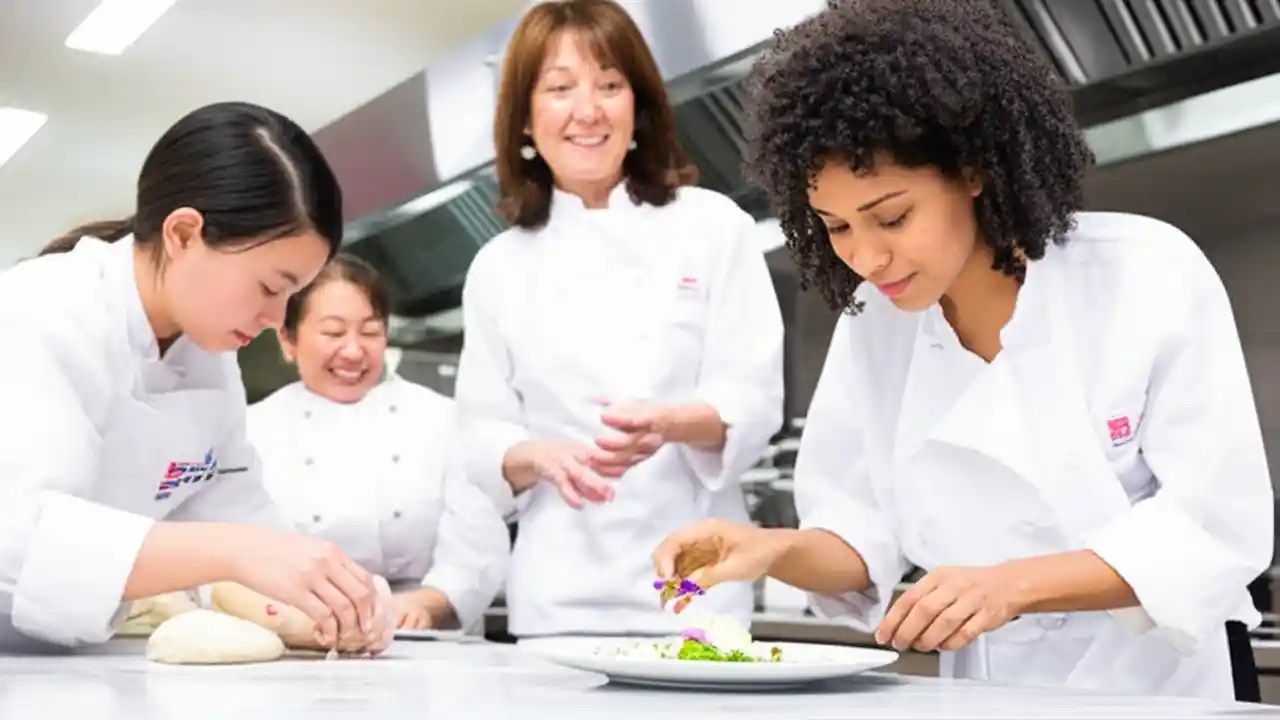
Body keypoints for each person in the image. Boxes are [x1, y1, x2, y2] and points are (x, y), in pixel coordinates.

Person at [653, 0, 1273, 701]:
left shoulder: (1146, 272)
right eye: (835, 227)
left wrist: (1009, 586)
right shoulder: (876, 327)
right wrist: (768, 549)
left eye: (892, 217)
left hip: (1160, 686)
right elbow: (859, 541)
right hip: (989, 691)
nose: (866, 257)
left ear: (973, 171)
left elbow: (1216, 525)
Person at [0, 102, 394, 655]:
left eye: (291, 296)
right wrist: (233, 551)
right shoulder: (40, 310)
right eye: (268, 287)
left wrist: (333, 598)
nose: (276, 320)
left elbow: (235, 507)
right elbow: (19, 539)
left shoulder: (206, 356)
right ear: (184, 233)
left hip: (62, 658)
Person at [455, 0, 784, 638]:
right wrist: (537, 455)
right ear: (525, 118)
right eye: (560, 89)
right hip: (558, 598)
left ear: (639, 108)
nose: (588, 110)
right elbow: (478, 437)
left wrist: (669, 424)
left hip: (698, 587)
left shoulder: (713, 226)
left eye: (610, 85)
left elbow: (754, 396)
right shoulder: (498, 266)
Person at [246, 253, 510, 633]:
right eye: (334, 333)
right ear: (288, 340)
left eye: (370, 332)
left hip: (419, 643)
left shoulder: (444, 420)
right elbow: (231, 553)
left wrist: (430, 603)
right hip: (293, 636)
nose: (354, 351)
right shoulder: (252, 430)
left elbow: (477, 543)